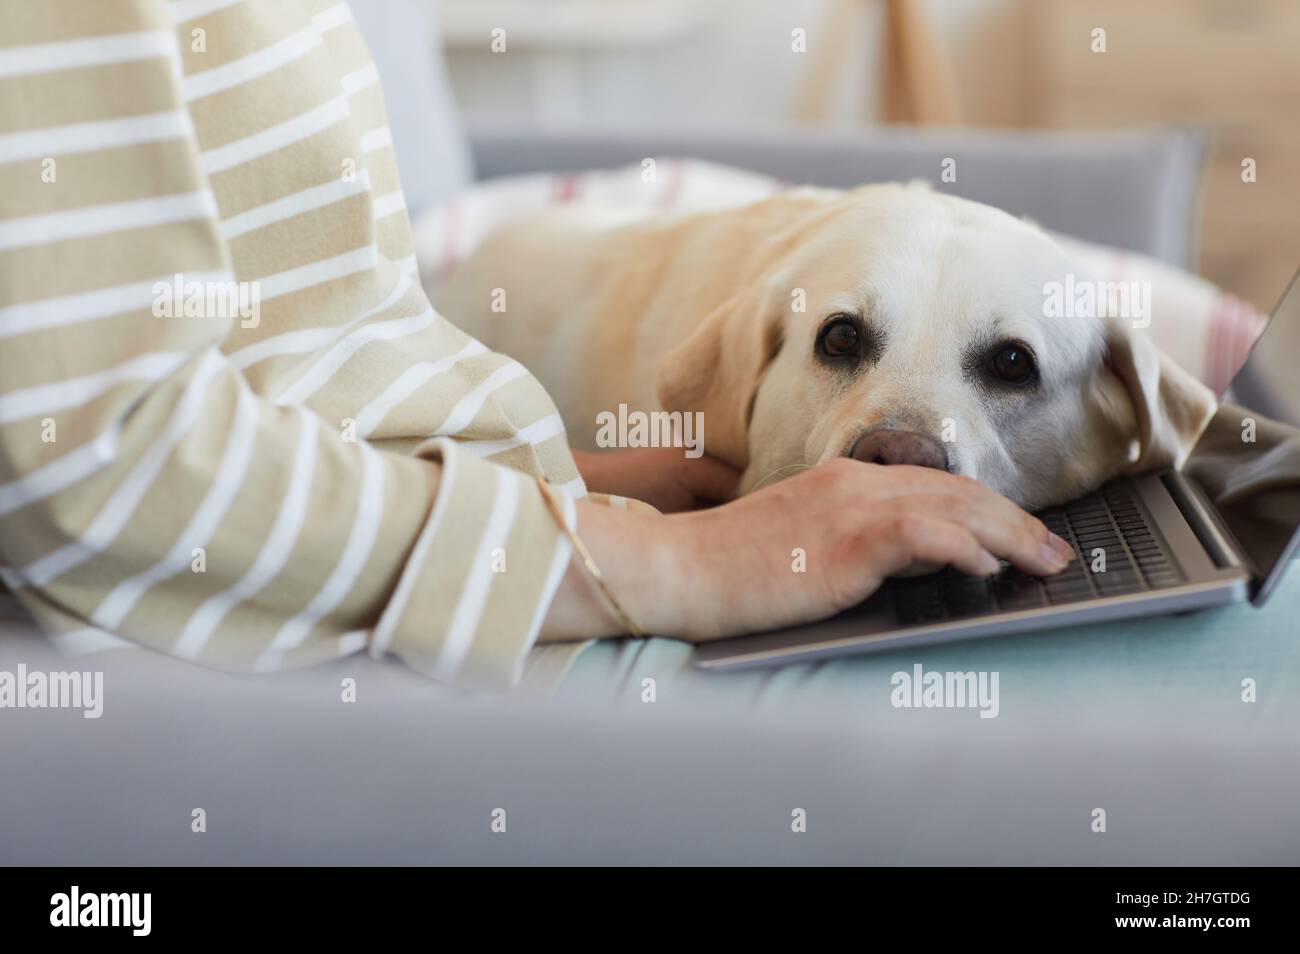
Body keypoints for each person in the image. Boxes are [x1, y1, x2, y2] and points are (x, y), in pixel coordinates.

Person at [0, 0, 1070, 691]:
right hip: (322, 656)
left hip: (494, 554)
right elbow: (101, 459)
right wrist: (675, 563)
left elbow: (249, 371)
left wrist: (566, 486)